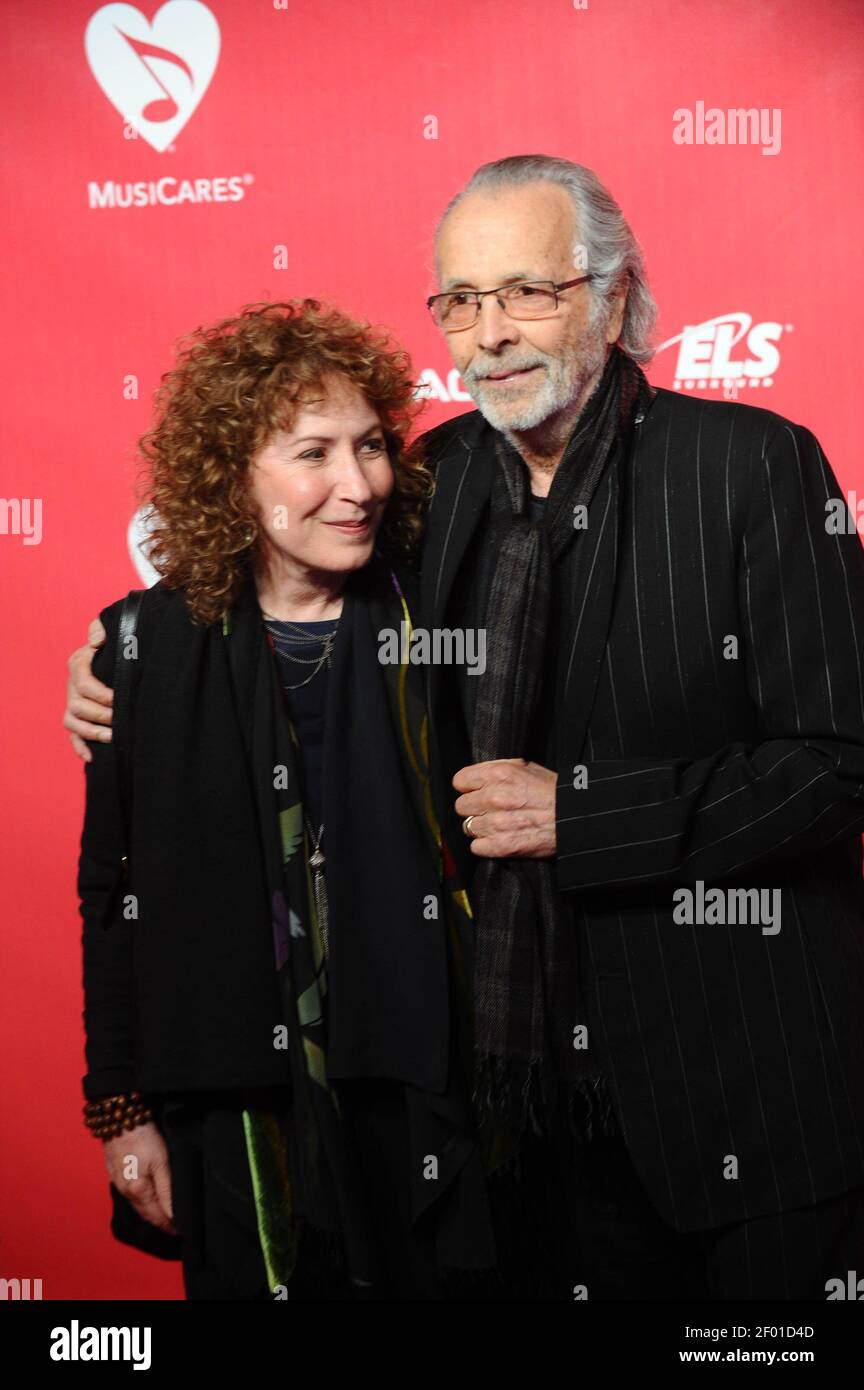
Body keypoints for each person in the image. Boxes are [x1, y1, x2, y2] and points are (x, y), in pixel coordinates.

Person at [68, 155, 864, 1301]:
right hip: (522, 1117)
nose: (489, 333)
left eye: (529, 291)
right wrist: (107, 655)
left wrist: (582, 816)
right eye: (461, 300)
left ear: (615, 296)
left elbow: (840, 762)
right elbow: (263, 590)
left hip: (747, 1093)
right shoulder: (432, 487)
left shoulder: (750, 466)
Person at [73, 298, 501, 1300]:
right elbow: (112, 890)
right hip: (231, 1098)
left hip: (423, 1076)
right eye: (314, 453)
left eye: (371, 446)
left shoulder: (434, 612)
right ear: (233, 476)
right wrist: (122, 1108)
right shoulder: (141, 646)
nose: (357, 485)